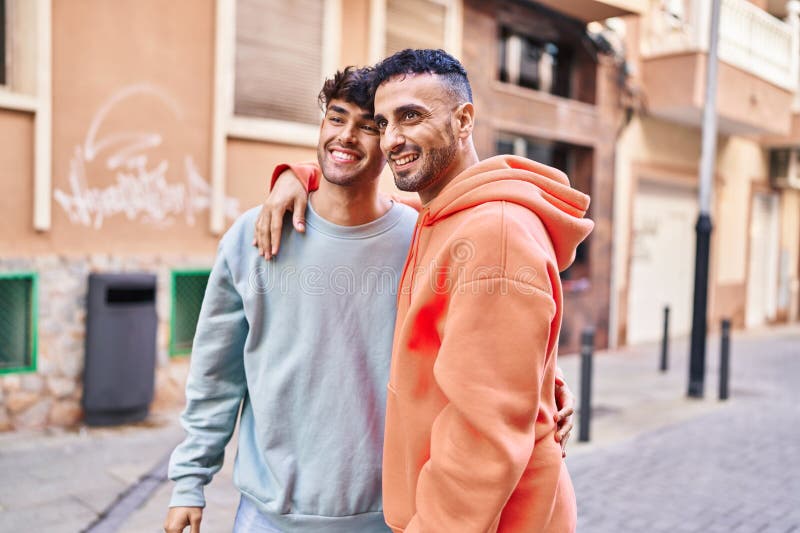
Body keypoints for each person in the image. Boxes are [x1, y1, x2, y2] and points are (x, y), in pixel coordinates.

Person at [256, 49, 592, 532]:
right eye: (383, 122)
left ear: (463, 120)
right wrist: (301, 175)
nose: (393, 138)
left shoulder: (493, 236)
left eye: (411, 116)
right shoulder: (441, 217)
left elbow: (483, 438)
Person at [164, 66, 419, 533]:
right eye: (336, 118)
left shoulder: (420, 241)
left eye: (367, 126)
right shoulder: (255, 235)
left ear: (389, 140)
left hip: (387, 520)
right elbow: (216, 374)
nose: (346, 136)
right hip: (267, 519)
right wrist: (188, 480)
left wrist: (547, 378)